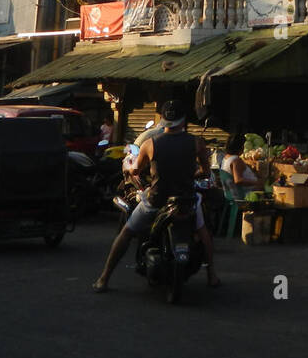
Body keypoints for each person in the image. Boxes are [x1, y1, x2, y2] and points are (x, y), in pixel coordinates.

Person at [93, 101, 219, 292]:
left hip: (156, 201)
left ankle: (104, 278)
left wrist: (128, 166)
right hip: (186, 200)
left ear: (163, 120)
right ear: (184, 120)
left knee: (126, 232)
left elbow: (136, 169)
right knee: (203, 232)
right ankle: (212, 275)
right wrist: (195, 173)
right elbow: (205, 170)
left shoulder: (149, 144)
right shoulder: (196, 143)